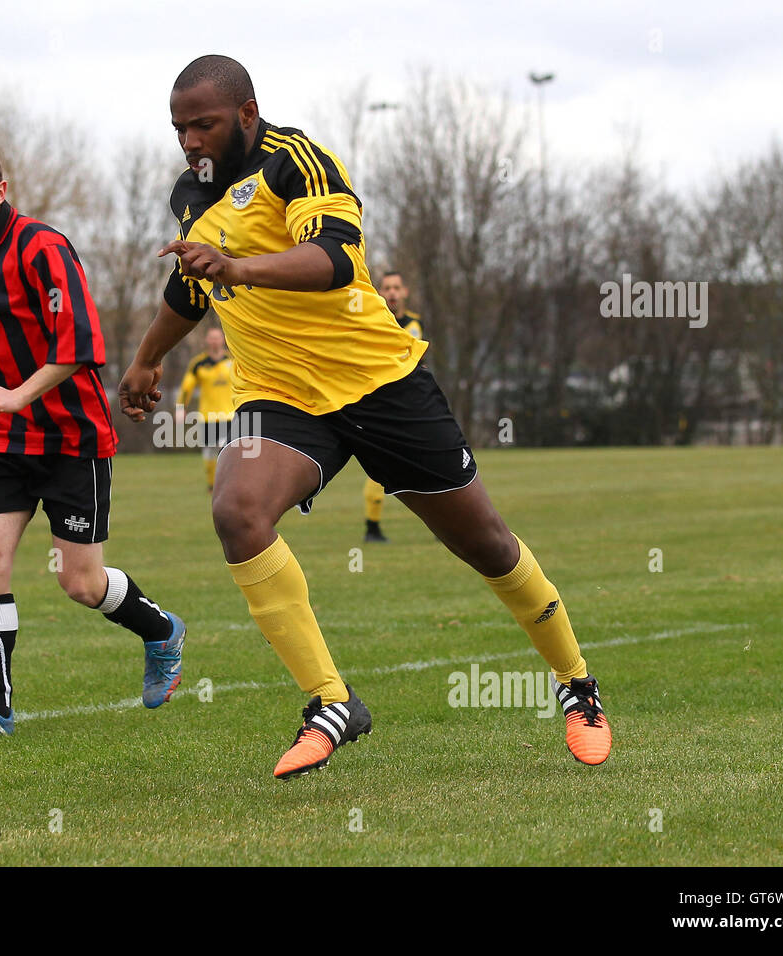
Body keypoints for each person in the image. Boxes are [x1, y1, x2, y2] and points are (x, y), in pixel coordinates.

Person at [119, 55, 611, 779]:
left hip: (382, 386)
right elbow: (190, 285)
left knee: (487, 546)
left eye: (205, 124)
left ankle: (577, 686)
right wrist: (147, 358)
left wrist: (237, 265)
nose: (190, 140)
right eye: (179, 128)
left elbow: (335, 258)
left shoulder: (298, 162)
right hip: (283, 398)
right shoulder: (189, 197)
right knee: (238, 509)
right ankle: (332, 701)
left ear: (247, 113)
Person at [0, 136, 186, 736]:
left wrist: (19, 394)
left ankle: (161, 630)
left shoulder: (43, 248)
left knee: (79, 582)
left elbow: (80, 347)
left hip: (71, 436)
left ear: (0, 191)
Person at [361, 271, 424, 543]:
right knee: (381, 466)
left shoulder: (414, 325)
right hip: (381, 406)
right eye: (387, 288)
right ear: (380, 291)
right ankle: (371, 528)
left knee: (427, 462)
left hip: (411, 405)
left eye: (397, 287)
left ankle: (447, 523)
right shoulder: (370, 320)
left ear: (405, 292)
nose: (393, 293)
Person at [175, 325, 233, 490]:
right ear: (207, 341)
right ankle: (212, 486)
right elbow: (187, 387)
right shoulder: (198, 364)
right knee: (209, 453)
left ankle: (227, 485)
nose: (215, 341)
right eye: (211, 338)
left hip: (229, 416)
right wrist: (180, 408)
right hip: (207, 416)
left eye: (217, 337)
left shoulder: (232, 361)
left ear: (223, 339)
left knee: (228, 452)